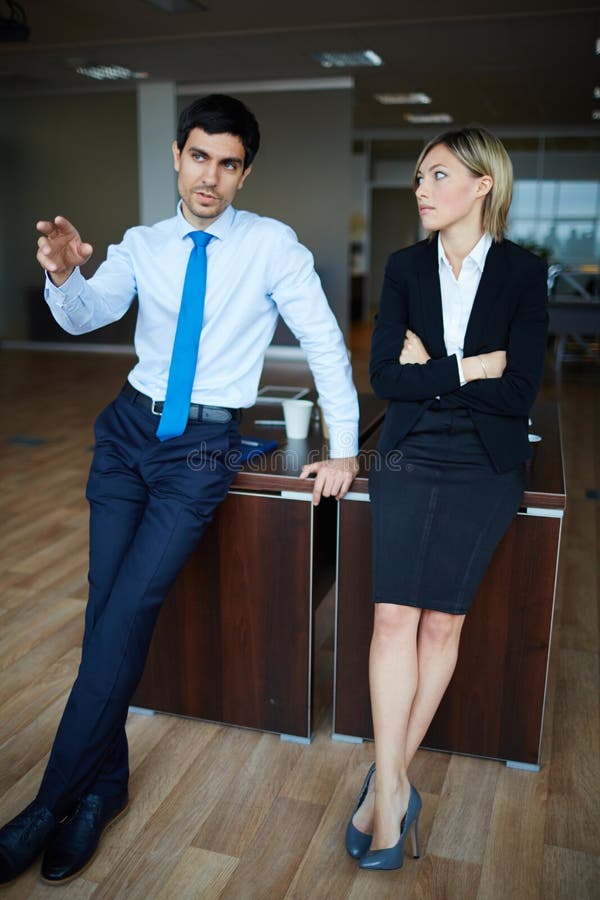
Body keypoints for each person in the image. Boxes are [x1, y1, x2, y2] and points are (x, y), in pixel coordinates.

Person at [0, 93, 359, 886]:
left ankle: (45, 805)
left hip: (200, 448)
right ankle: (103, 790)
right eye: (200, 156)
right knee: (106, 612)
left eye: (228, 164)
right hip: (126, 433)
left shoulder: (273, 247)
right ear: (176, 154)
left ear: (244, 173)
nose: (211, 177)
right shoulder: (144, 243)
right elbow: (87, 314)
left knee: (128, 613)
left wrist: (345, 449)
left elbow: (326, 344)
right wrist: (65, 272)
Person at [345, 127, 548, 871]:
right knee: (393, 615)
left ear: (482, 184)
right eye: (419, 176)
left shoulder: (525, 273)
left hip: (485, 463)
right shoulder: (403, 268)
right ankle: (394, 791)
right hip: (409, 450)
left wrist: (437, 366)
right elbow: (386, 381)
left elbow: (521, 390)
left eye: (437, 174)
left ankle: (385, 784)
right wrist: (474, 365)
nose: (422, 189)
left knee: (440, 626)